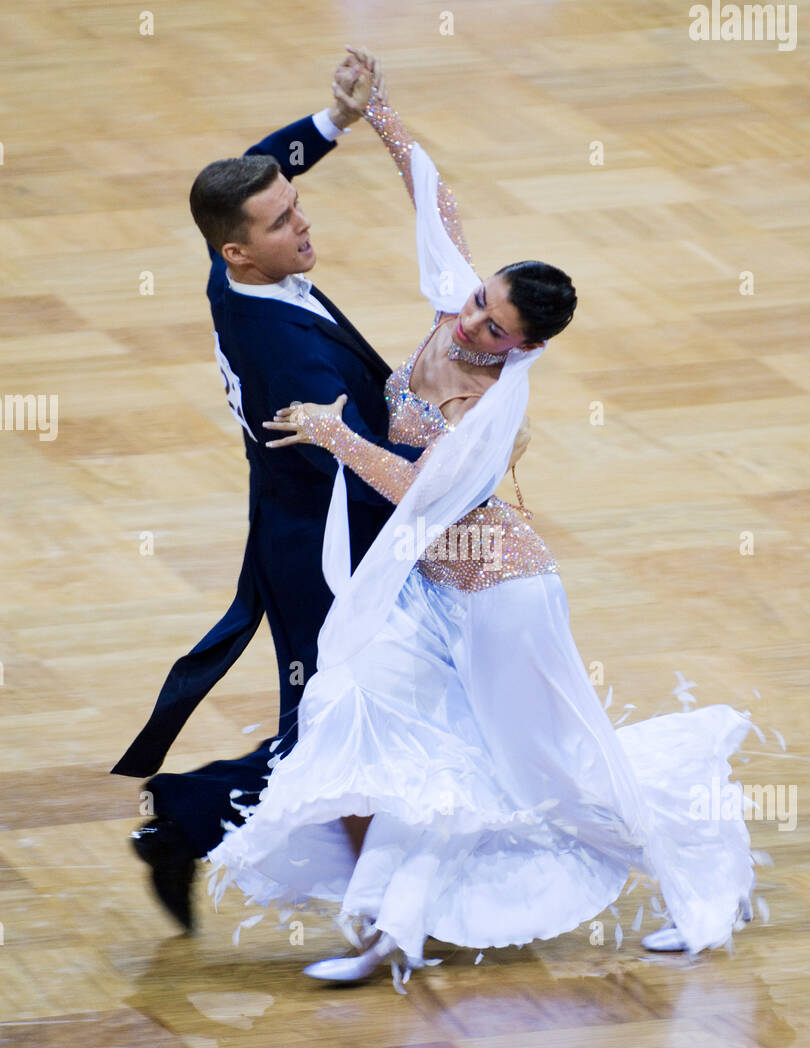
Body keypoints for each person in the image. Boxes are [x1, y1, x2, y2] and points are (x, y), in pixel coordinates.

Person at [205, 52, 757, 990]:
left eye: (497, 330)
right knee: (420, 751)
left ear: (527, 349)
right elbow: (433, 199)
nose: (470, 327)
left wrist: (335, 433)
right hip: (437, 598)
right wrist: (373, 113)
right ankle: (386, 931)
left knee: (550, 776)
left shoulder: (487, 413)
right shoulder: (454, 307)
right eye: (477, 303)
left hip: (504, 598)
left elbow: (417, 494)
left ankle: (701, 875)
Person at [112, 53, 531, 931]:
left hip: (297, 520)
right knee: (326, 727)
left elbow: (255, 170)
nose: (302, 224)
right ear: (239, 248)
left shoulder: (233, 270)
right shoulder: (288, 361)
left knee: (352, 712)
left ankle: (396, 878)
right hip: (324, 550)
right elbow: (371, 469)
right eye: (281, 222)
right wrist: (456, 464)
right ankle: (188, 822)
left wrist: (330, 124)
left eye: (296, 205)